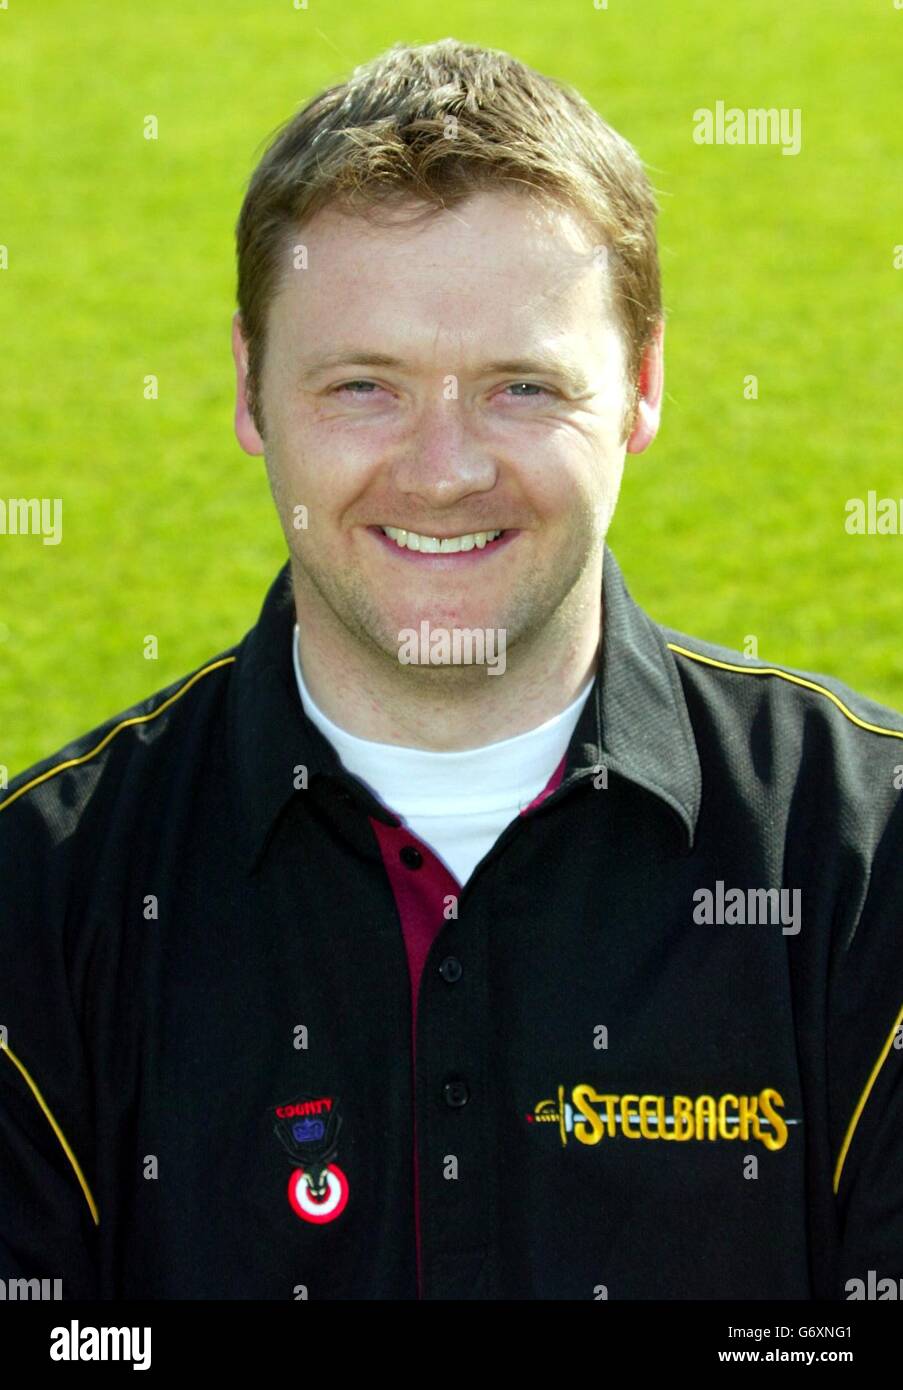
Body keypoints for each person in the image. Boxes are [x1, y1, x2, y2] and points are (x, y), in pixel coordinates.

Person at [1, 37, 901, 1302]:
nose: (443, 471)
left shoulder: (869, 861)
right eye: (366, 386)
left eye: (522, 387)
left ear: (642, 389)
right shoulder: (38, 899)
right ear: (251, 390)